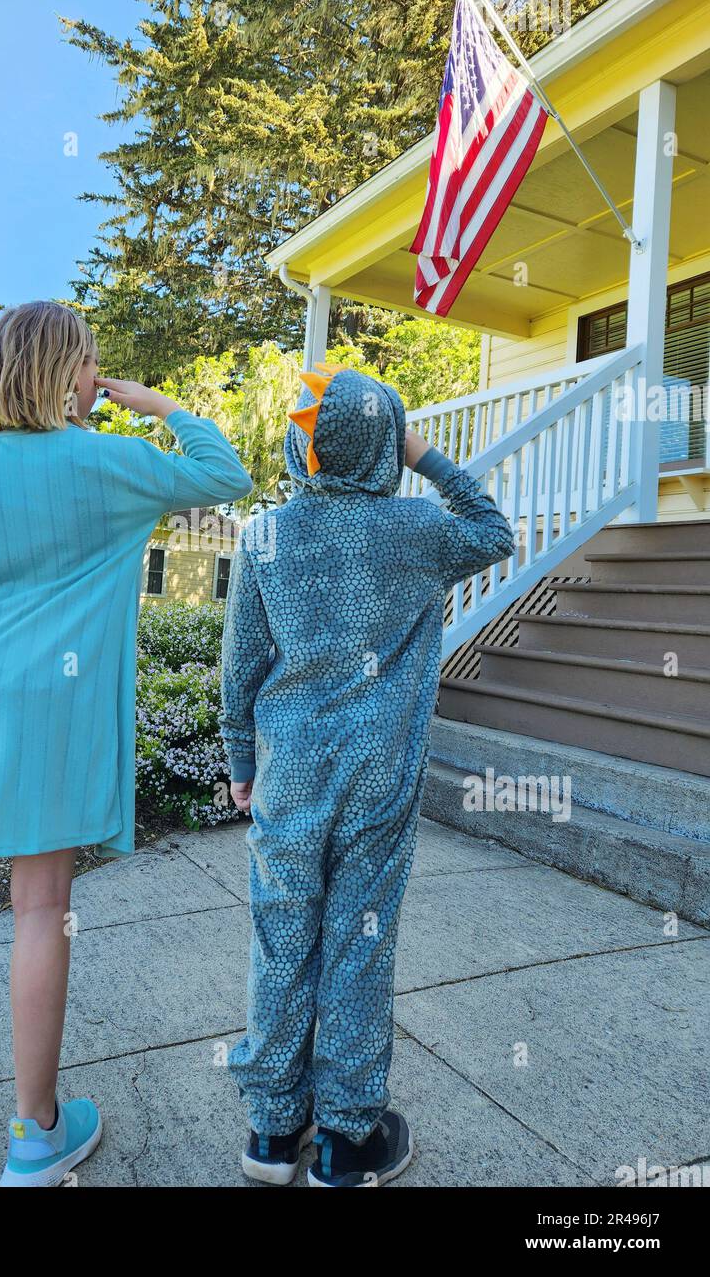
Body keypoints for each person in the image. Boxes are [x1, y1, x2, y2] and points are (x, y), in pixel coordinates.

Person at [0, 301, 252, 1187]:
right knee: (41, 907)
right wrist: (158, 406)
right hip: (57, 701)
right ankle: (35, 1133)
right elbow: (224, 474)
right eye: (88, 364)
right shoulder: (114, 461)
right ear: (67, 376)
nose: (96, 379)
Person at [220, 363, 515, 1188]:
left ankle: (273, 1131)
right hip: (378, 777)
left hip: (290, 772)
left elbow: (240, 664)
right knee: (358, 939)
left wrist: (242, 762)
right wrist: (424, 456)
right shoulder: (416, 528)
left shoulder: (265, 534)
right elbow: (494, 530)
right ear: (383, 440)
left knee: (280, 940)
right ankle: (349, 1136)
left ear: (297, 440)